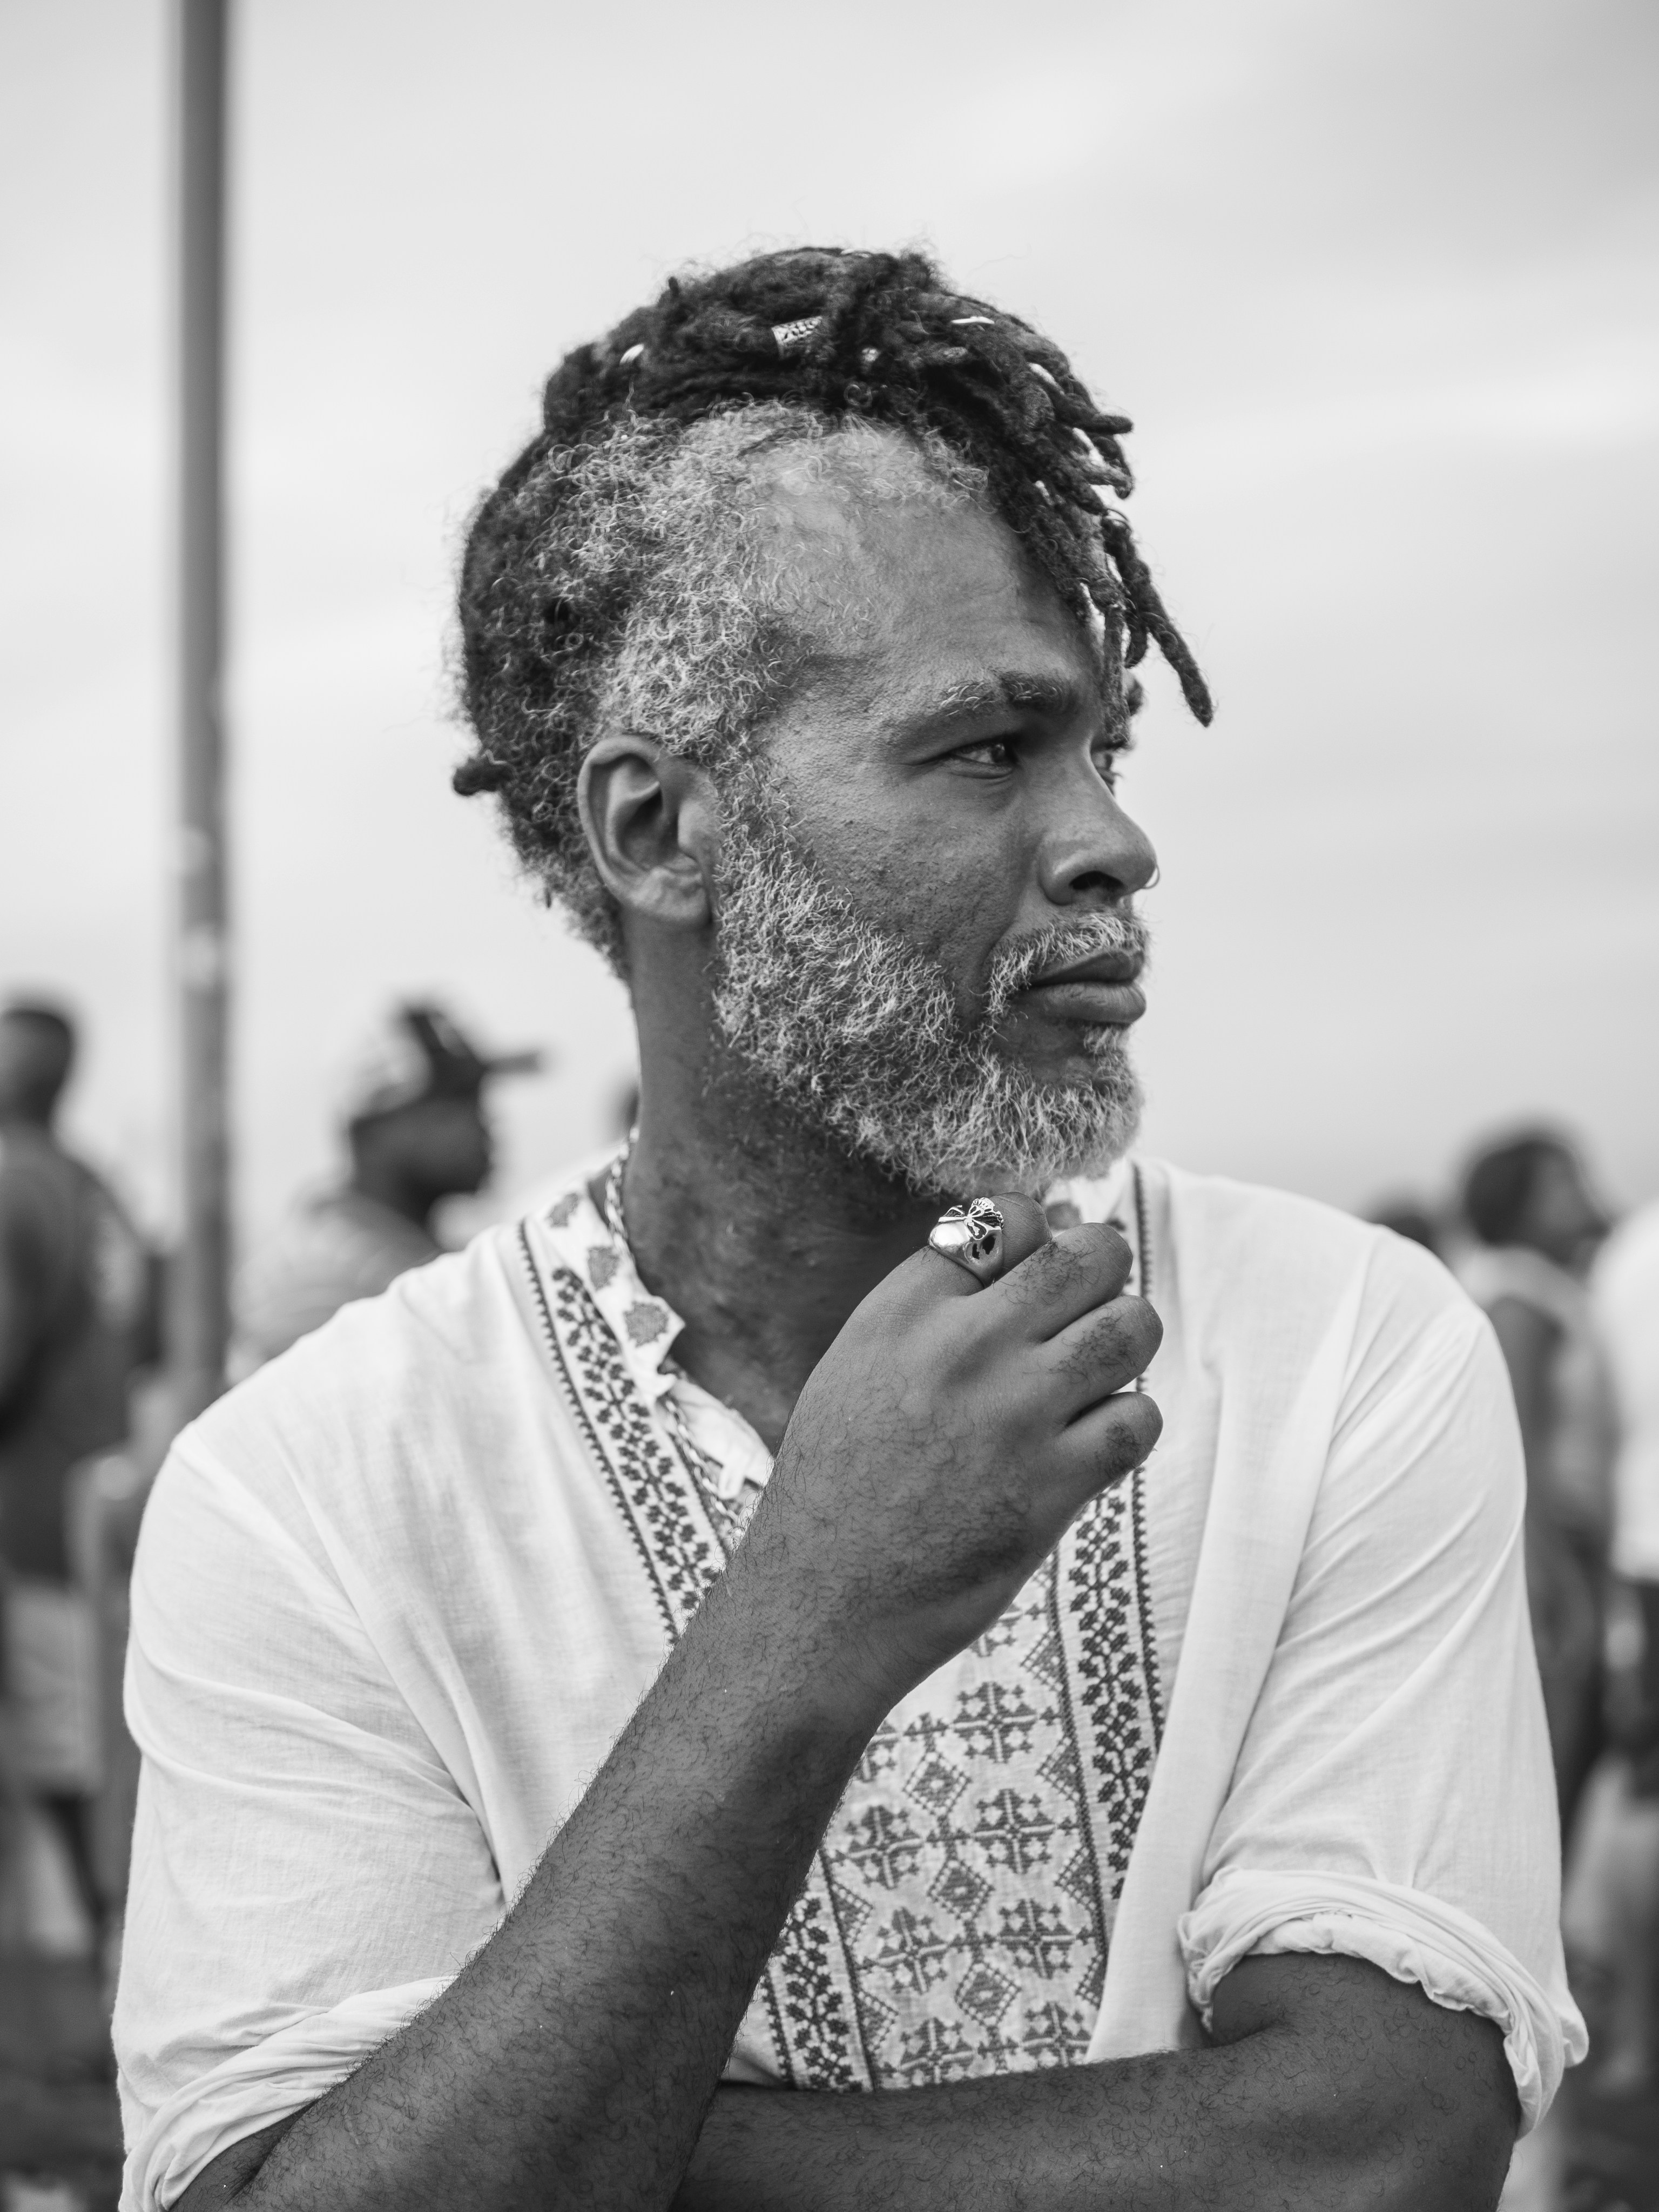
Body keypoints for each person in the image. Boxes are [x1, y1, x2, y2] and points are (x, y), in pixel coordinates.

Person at [116, 248, 1578, 2212]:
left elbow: (1374, 2154)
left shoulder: (1337, 1349)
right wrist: (802, 1623)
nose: (1110, 837)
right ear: (657, 831)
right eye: (987, 747)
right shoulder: (310, 1494)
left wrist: (573, 2141)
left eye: (1103, 750)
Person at [0, 1000, 151, 1943]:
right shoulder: (91, 1182)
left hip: (31, 1522)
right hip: (91, 1509)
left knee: (71, 1769)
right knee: (95, 1759)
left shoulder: (15, 1180)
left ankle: (105, 1979)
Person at [233, 1003, 540, 1367]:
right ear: (380, 1126)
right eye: (456, 1101)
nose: (485, 1122)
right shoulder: (319, 1279)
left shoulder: (403, 1256)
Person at [1459, 1131, 1617, 1837]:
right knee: (1554, 1740)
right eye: (1563, 1182)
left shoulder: (1535, 1283)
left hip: (1560, 1536)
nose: (1583, 1192)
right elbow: (1515, 1435)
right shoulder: (1521, 1294)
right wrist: (1545, 1567)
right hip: (1547, 1541)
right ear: (1516, 1203)